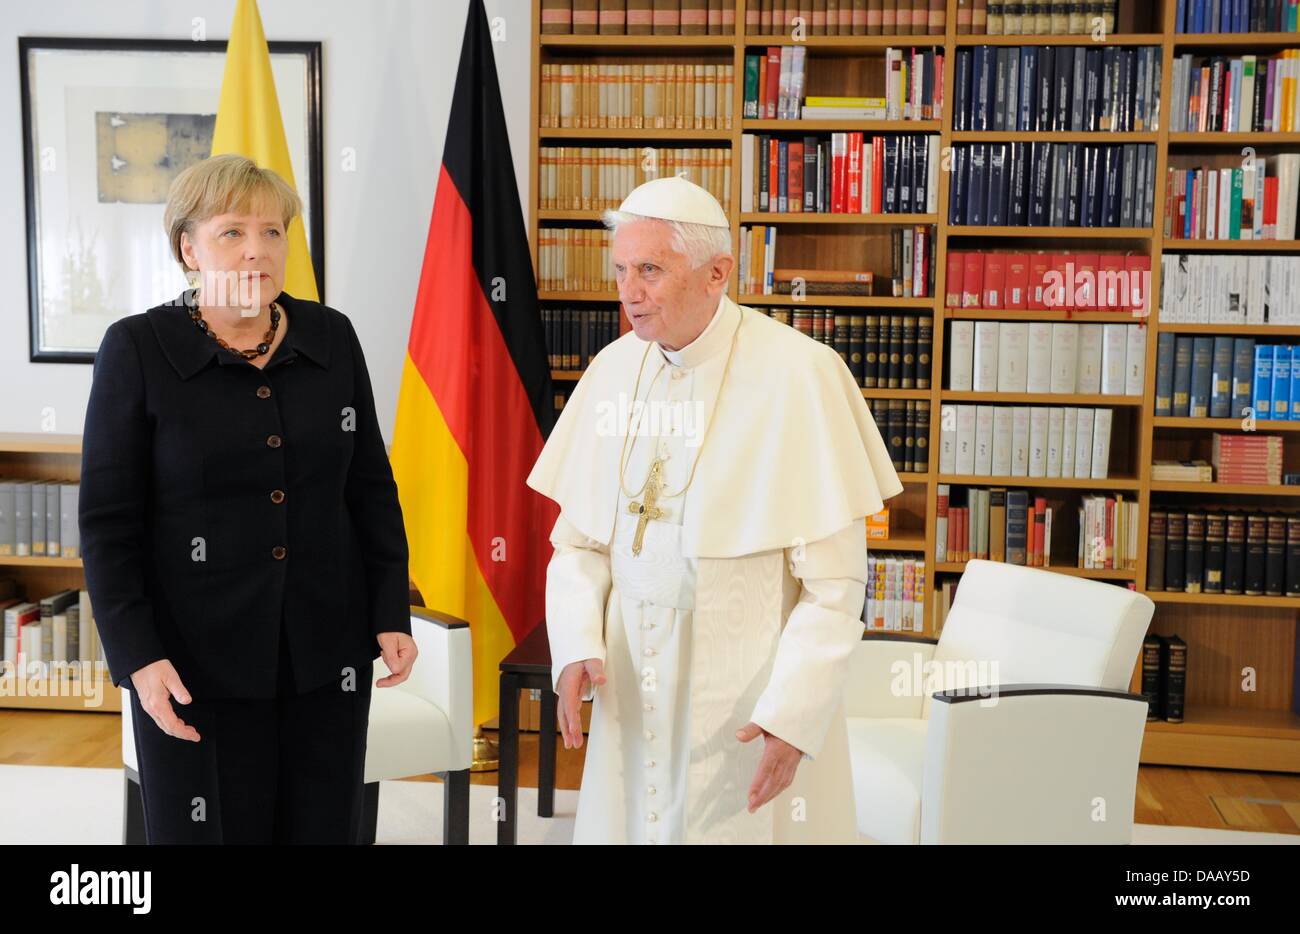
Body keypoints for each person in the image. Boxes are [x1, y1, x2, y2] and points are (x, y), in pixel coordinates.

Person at [526, 175, 904, 844]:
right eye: (620, 270)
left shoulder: (801, 375)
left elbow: (836, 586)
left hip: (747, 688)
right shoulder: (613, 371)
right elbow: (579, 545)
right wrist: (577, 644)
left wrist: (794, 713)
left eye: (649, 270)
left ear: (716, 274)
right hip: (630, 676)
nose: (627, 291)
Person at [79, 153, 418, 844]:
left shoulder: (333, 336)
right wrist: (138, 658)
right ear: (189, 248)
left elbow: (370, 486)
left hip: (327, 656)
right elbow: (108, 525)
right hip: (190, 663)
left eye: (273, 232)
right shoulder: (138, 350)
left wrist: (389, 611)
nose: (257, 250)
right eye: (232, 231)